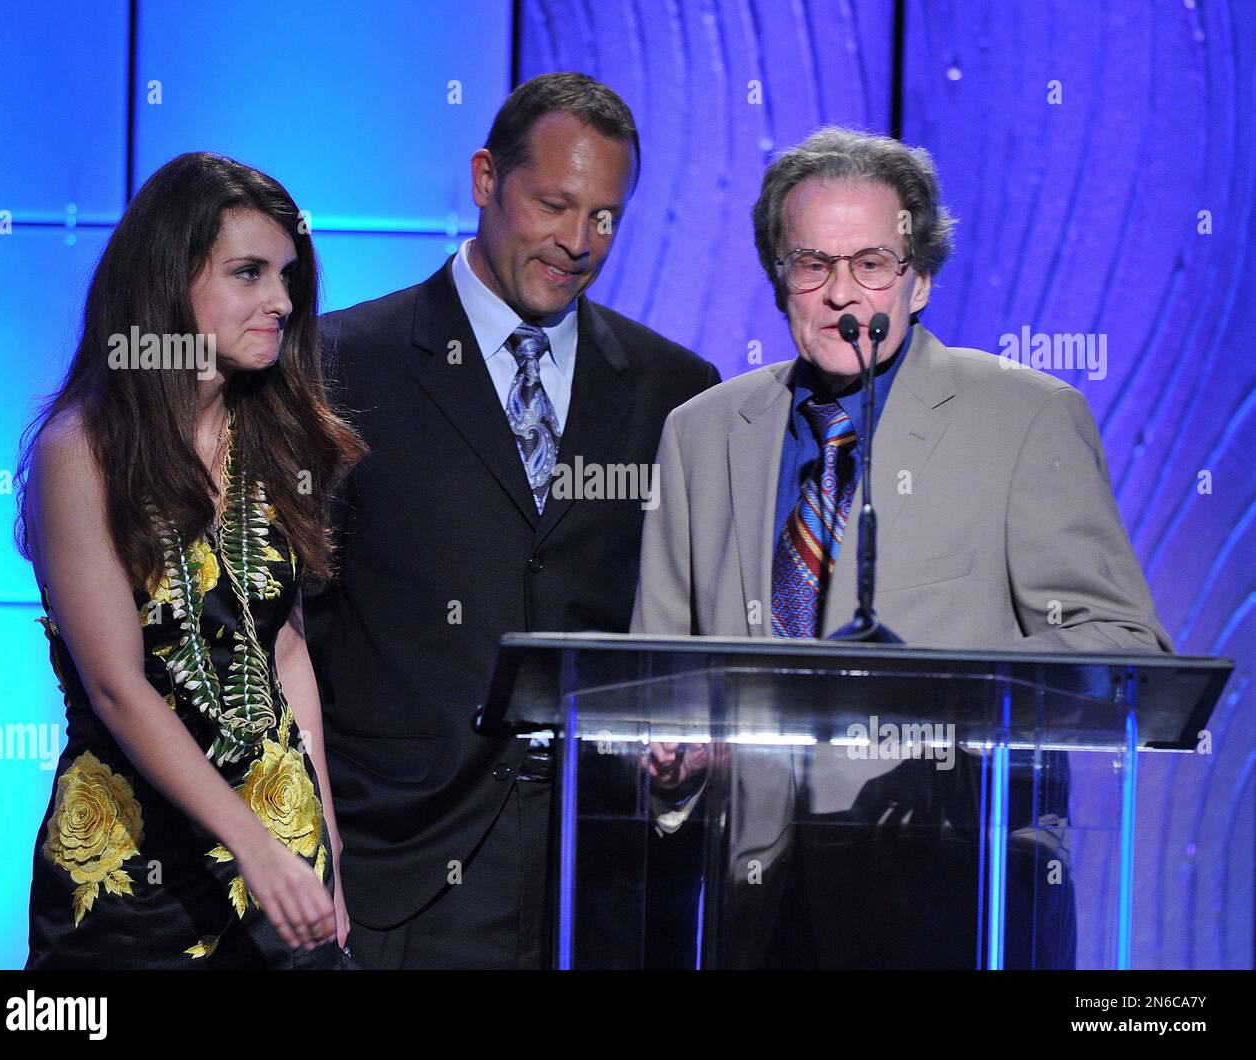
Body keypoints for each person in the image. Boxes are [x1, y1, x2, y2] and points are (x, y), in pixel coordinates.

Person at [630, 126, 1172, 967]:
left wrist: (934, 691)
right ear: (781, 279)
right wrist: (669, 759)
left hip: (958, 894)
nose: (844, 294)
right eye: (813, 264)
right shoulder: (701, 433)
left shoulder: (1025, 417)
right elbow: (650, 681)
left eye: (872, 263)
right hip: (755, 906)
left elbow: (1118, 649)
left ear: (919, 279)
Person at [307, 72, 720, 969]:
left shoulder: (677, 391)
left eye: (606, 217)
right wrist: (313, 846)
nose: (578, 242)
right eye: (554, 203)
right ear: (486, 177)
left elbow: (691, 626)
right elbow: (296, 627)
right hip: (401, 868)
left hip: (604, 872)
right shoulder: (342, 364)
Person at [16, 152, 367, 969]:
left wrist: (324, 843)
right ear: (169, 281)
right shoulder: (82, 450)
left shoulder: (278, 437)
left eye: (286, 276)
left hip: (281, 860)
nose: (281, 301)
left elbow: (283, 650)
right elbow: (117, 685)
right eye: (249, 273)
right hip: (135, 876)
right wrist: (254, 847)